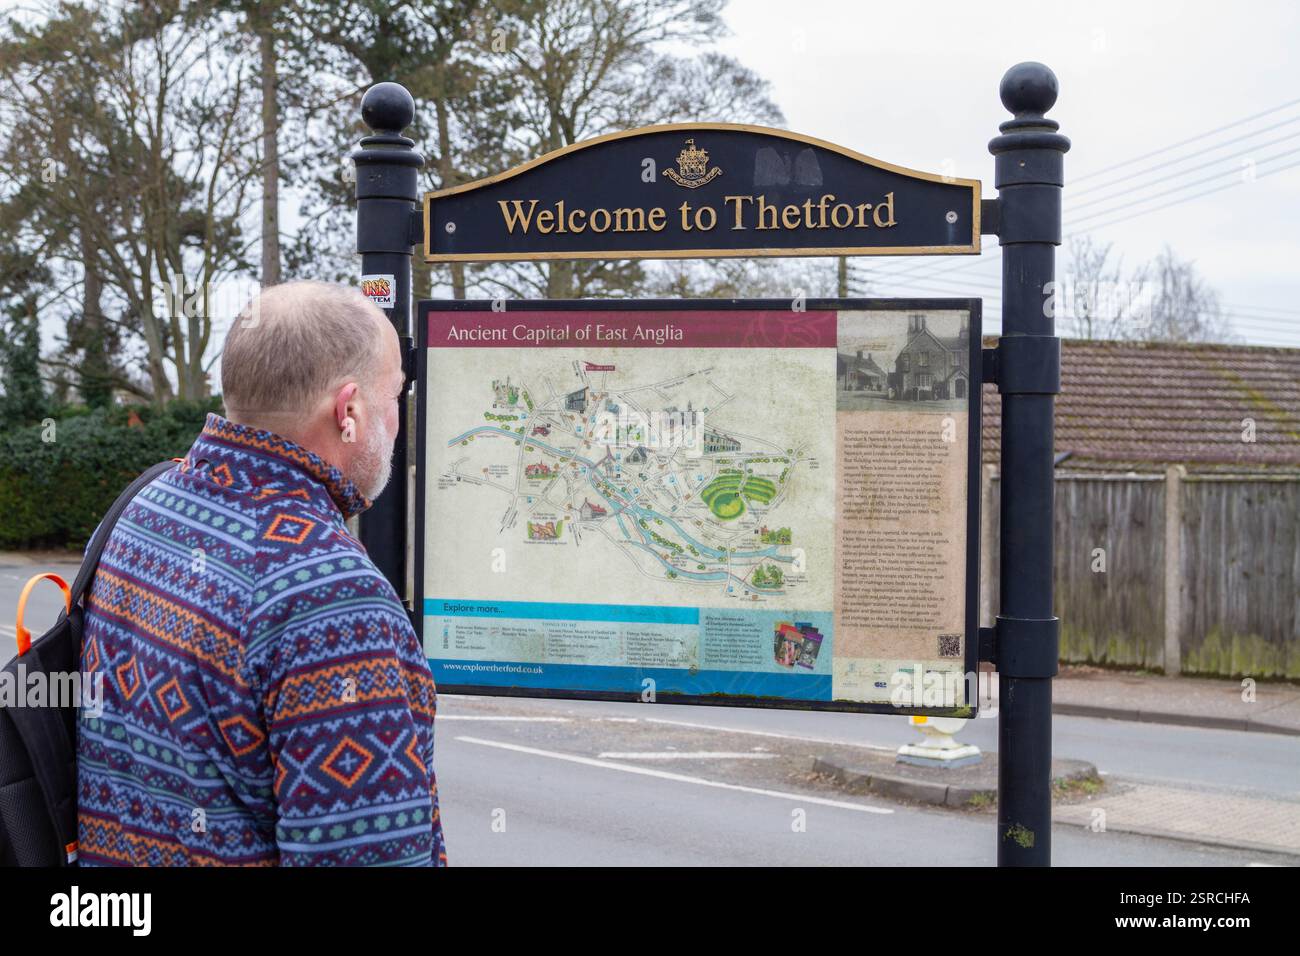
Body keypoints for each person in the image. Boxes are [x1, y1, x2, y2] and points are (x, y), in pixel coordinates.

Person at [77, 281, 446, 866]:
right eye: (395, 395)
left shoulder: (144, 509)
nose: (397, 420)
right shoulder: (330, 597)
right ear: (348, 412)